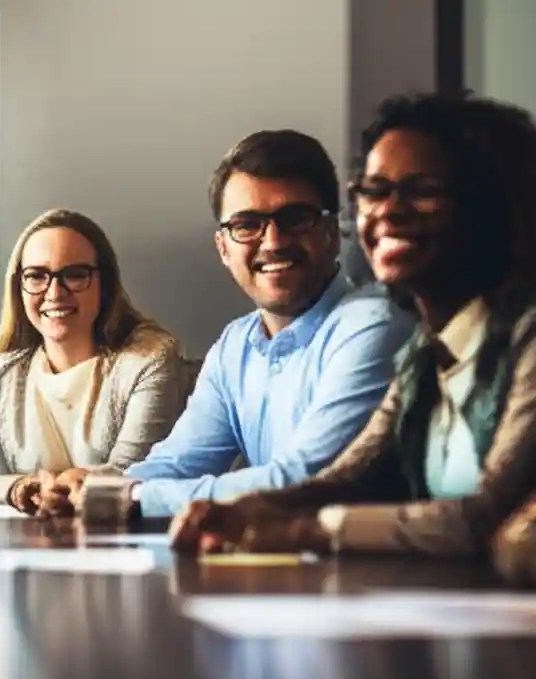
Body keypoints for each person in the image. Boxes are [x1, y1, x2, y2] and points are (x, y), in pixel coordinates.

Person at [170, 94, 536, 558]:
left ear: (490, 209)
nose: (389, 211)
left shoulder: (525, 339)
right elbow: (344, 478)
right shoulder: (424, 356)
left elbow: (483, 517)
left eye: (422, 190)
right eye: (375, 190)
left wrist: (306, 530)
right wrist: (242, 511)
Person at [34, 129, 414, 521]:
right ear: (223, 248)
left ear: (332, 234)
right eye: (247, 225)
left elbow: (305, 480)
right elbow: (179, 461)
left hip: (372, 574)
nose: (273, 241)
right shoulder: (236, 345)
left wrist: (129, 496)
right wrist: (95, 487)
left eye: (295, 219)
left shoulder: (373, 326)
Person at [0, 209, 182, 507]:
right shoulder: (2, 371)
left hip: (124, 543)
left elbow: (135, 473)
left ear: (104, 285)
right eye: (36, 276)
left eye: (74, 275)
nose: (54, 292)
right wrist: (17, 488)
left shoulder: (149, 359)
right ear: (19, 286)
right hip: (32, 547)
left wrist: (76, 481)